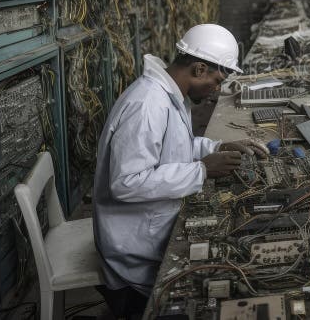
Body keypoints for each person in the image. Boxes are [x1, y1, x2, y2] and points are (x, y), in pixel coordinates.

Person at [93, 24, 268, 314]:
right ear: (199, 68)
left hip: (150, 222)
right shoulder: (147, 106)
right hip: (135, 248)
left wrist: (216, 147)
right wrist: (200, 171)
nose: (216, 91)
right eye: (216, 80)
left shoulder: (169, 95)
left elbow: (175, 145)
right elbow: (126, 182)